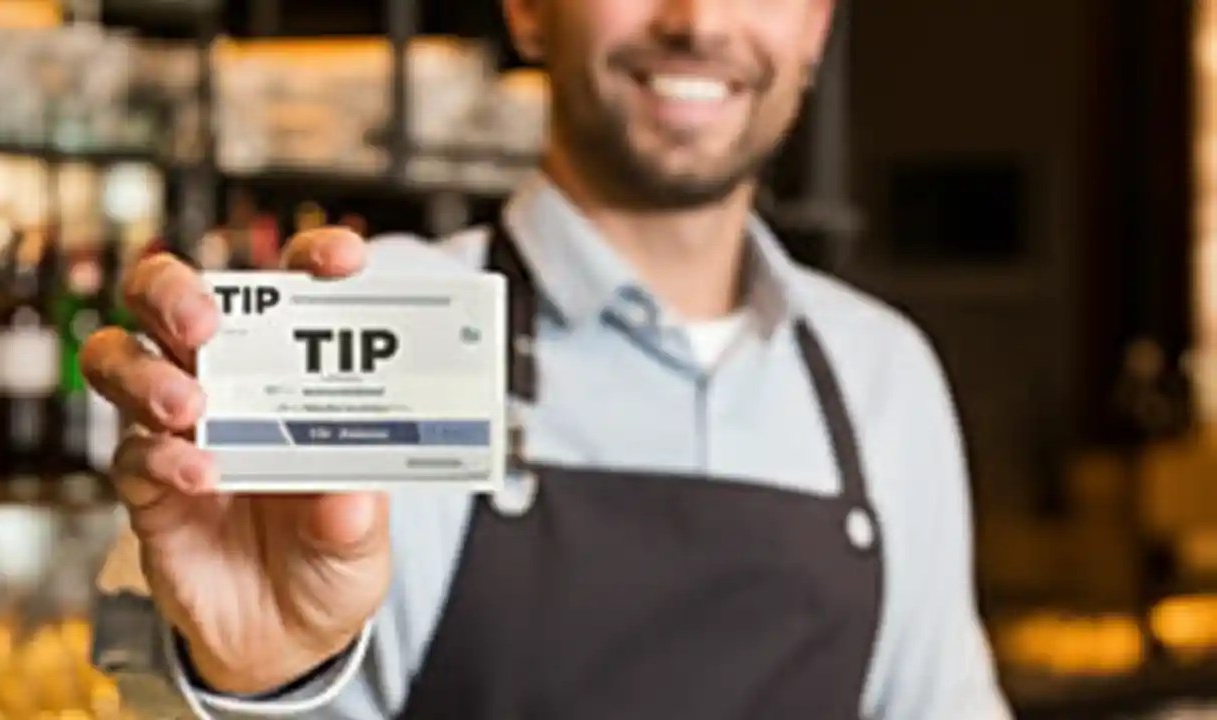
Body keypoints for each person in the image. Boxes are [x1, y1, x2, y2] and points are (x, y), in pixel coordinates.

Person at [83, 0, 1014, 717]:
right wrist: (249, 683)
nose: (695, 20)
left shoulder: (882, 376)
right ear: (528, 7)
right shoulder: (370, 327)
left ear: (815, 25)